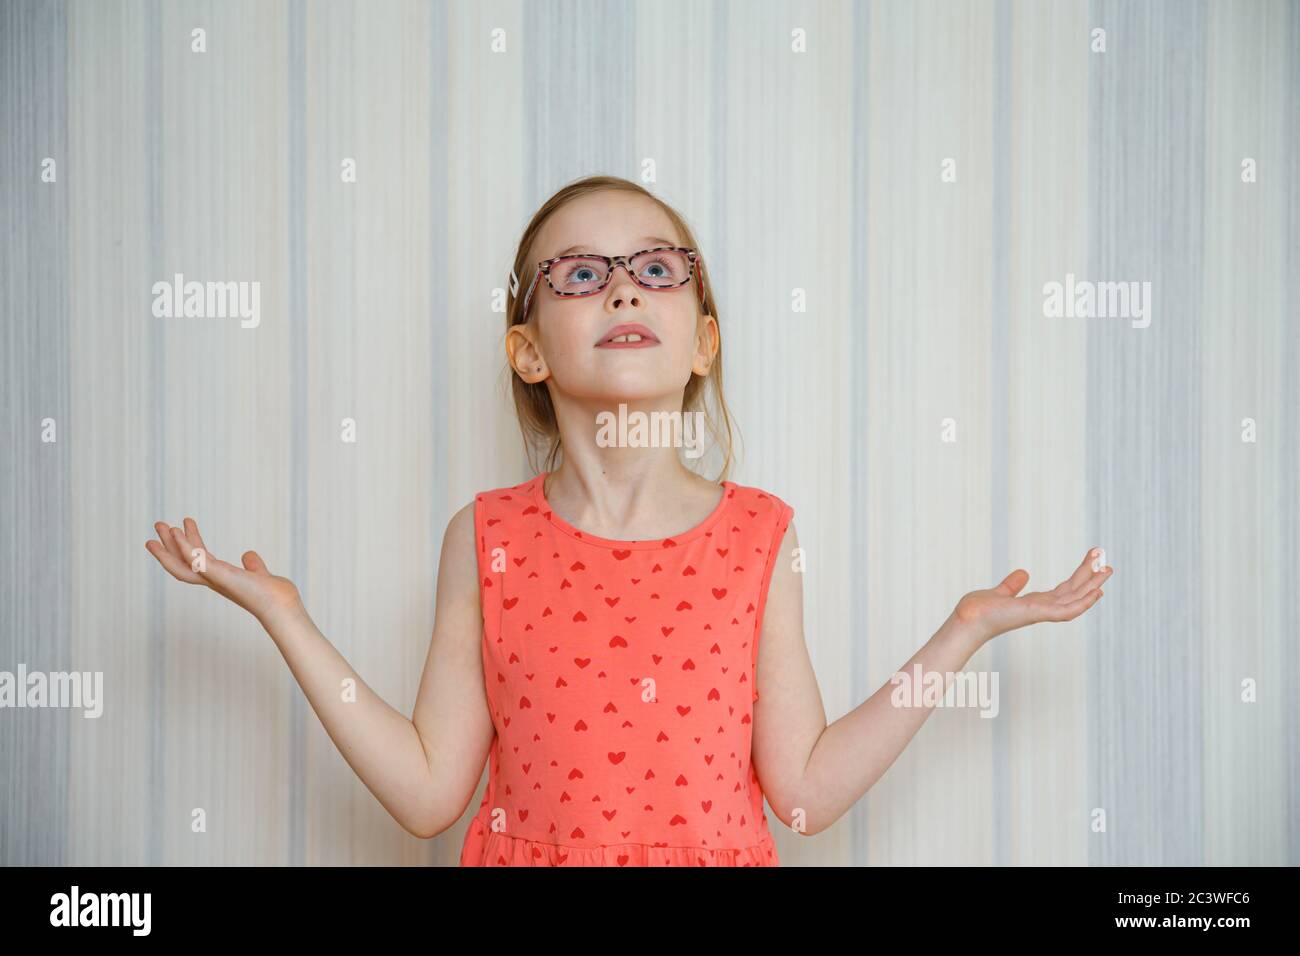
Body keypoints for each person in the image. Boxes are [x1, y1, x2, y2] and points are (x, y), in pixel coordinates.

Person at [145, 174, 1113, 866]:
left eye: (656, 267)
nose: (621, 286)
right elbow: (429, 794)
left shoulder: (761, 538)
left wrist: (961, 632)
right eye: (577, 274)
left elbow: (805, 794)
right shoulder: (484, 541)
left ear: (702, 341)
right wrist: (286, 618)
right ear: (528, 351)